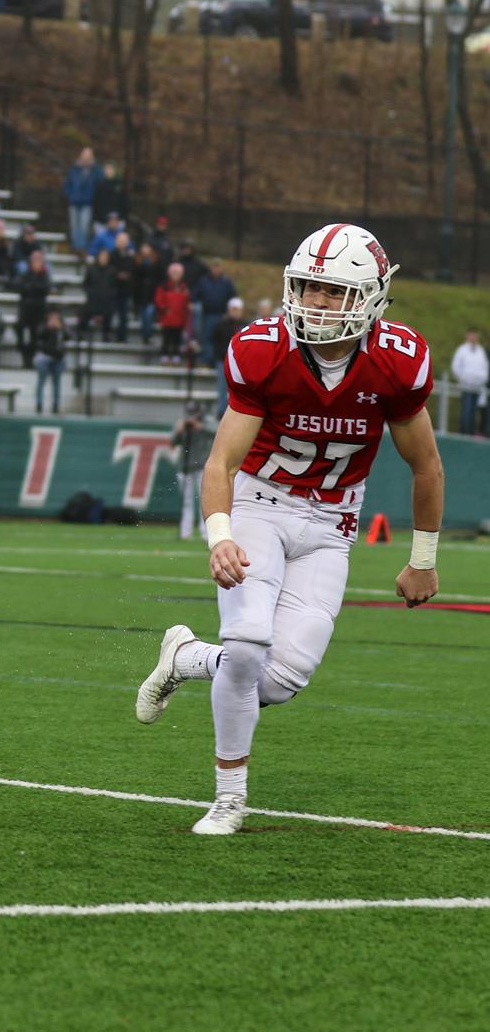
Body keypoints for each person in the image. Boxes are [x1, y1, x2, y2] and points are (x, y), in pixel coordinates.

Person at [135, 223, 444, 836]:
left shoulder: (397, 360)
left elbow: (426, 465)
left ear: (372, 297)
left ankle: (187, 657)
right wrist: (221, 535)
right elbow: (221, 463)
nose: (316, 302)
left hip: (333, 523)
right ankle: (228, 798)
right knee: (248, 644)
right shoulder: (263, 349)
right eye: (308, 287)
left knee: (277, 681)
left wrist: (424, 557)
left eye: (333, 291)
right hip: (261, 505)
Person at [172, 401, 213, 541]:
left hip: (202, 466)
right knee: (187, 502)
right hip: (185, 467)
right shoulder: (182, 423)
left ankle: (205, 532)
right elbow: (173, 442)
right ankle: (186, 533)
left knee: (204, 501)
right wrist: (179, 431)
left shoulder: (207, 421)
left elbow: (216, 432)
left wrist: (200, 427)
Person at [62, 147, 100, 254]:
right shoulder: (74, 170)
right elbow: (67, 184)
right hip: (74, 202)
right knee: (74, 227)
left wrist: (94, 167)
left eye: (88, 156)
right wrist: (70, 196)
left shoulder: (95, 170)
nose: (86, 158)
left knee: (84, 226)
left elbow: (100, 181)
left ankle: (83, 248)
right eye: (84, 156)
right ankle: (76, 247)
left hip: (87, 203)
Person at [449, 327, 487, 435]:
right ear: (467, 335)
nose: (473, 337)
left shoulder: (481, 351)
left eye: (475, 335)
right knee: (466, 411)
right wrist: (465, 379)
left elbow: (485, 368)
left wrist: (480, 380)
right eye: (472, 334)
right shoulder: (462, 350)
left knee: (474, 413)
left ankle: (470, 434)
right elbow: (456, 367)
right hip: (466, 387)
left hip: (477, 388)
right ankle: (463, 433)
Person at [154, 262, 191, 365]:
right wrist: (164, 308)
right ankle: (164, 354)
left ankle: (176, 355)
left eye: (178, 273)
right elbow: (159, 299)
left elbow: (187, 301)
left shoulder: (184, 288)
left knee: (177, 338)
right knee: (166, 337)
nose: (176, 275)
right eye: (174, 273)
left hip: (180, 318)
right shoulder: (164, 286)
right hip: (167, 318)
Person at [34, 310, 66, 414]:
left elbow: (68, 337)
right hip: (45, 358)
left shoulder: (62, 328)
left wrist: (60, 328)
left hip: (58, 359)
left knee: (57, 383)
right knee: (41, 381)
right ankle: (39, 404)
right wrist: (48, 328)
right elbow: (39, 335)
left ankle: (56, 405)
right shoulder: (43, 327)